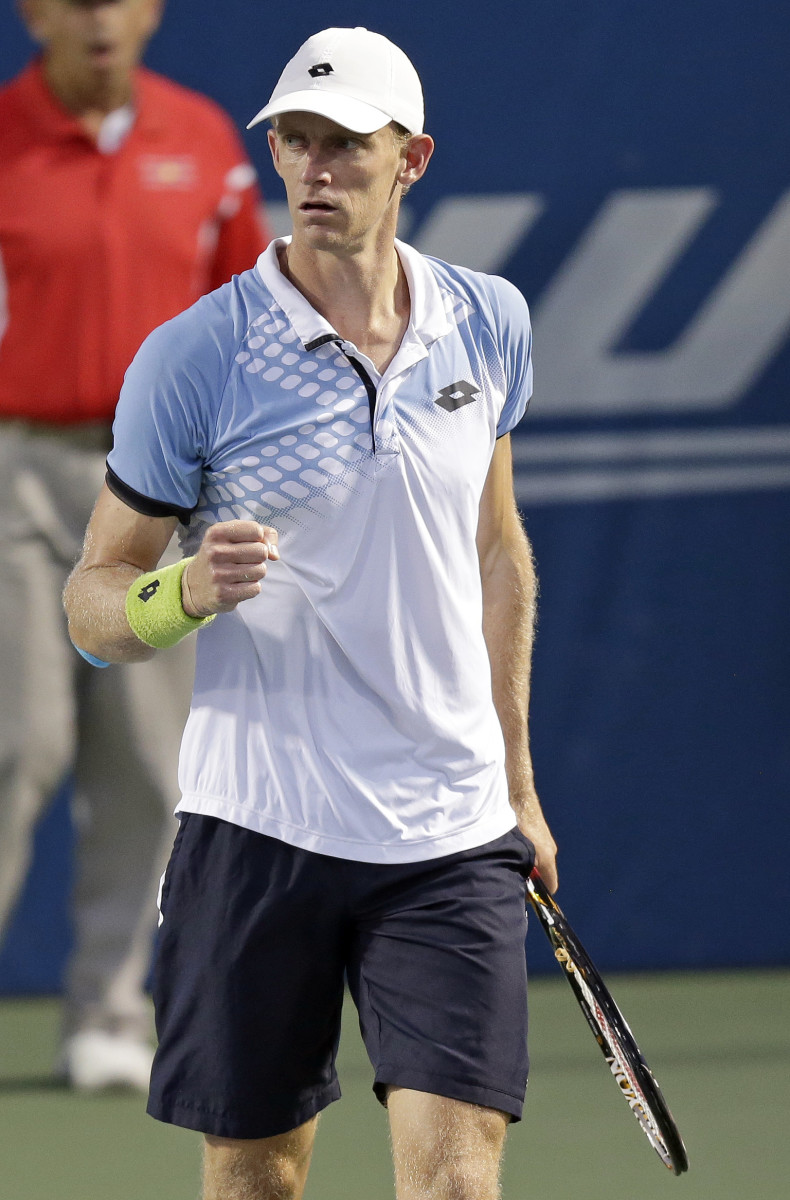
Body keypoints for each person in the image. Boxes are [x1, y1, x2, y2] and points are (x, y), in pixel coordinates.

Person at [64, 24, 558, 1200]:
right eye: (294, 138)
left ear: (413, 160)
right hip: (257, 828)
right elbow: (91, 604)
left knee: (455, 1180)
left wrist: (519, 785)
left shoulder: (486, 323)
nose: (314, 166)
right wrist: (183, 592)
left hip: (445, 834)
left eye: (347, 143)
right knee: (255, 1182)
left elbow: (495, 552)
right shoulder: (194, 359)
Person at [0, 0, 269, 1090]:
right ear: (33, 15)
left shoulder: (202, 139)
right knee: (18, 746)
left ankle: (110, 1014)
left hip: (162, 484)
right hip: (20, 469)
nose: (98, 19)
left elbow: (248, 311)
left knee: (157, 766)